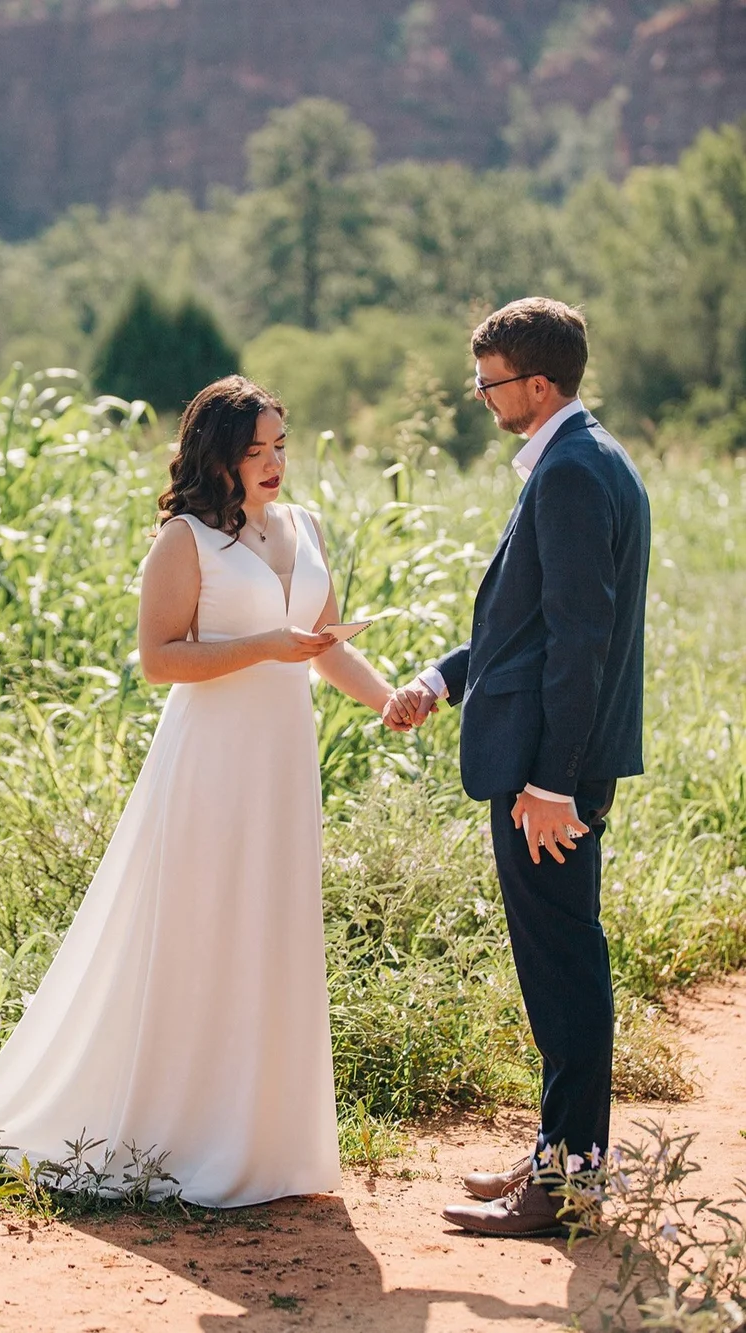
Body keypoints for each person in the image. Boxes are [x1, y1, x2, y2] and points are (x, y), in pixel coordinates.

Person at [0, 375, 397, 1209]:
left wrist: (388, 699)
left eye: (280, 446)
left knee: (271, 922)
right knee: (201, 926)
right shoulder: (185, 540)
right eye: (254, 450)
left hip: (282, 761)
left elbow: (325, 646)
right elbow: (159, 659)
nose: (273, 463)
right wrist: (266, 645)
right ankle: (187, 1130)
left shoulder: (304, 527)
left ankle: (267, 1137)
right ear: (217, 457)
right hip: (211, 762)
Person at [385, 298, 650, 1239]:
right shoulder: (587, 457)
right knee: (558, 957)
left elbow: (582, 641)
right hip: (550, 756)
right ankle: (557, 1153)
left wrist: (553, 783)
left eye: (490, 382)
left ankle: (570, 1180)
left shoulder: (571, 472)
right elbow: (530, 625)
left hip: (550, 769)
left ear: (538, 384)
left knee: (563, 964)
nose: (480, 395)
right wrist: (441, 679)